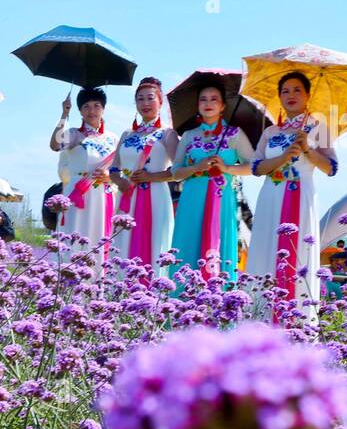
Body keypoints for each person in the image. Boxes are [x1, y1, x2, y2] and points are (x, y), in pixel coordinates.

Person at [246, 71, 338, 319]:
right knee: (266, 251)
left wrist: (308, 149)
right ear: (279, 97)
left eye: (297, 90)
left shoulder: (319, 128)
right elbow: (257, 168)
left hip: (301, 195)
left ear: (308, 95)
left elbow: (331, 168)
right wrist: (284, 157)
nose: (291, 95)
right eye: (285, 91)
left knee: (297, 256)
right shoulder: (270, 131)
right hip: (271, 198)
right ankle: (260, 317)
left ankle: (297, 323)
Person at [168, 76, 255, 284]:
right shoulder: (189, 136)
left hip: (222, 198)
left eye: (214, 99)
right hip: (192, 198)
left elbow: (253, 166)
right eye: (203, 99)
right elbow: (175, 171)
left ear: (223, 105)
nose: (208, 104)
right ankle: (180, 300)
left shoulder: (234, 134)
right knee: (188, 242)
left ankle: (219, 301)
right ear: (197, 105)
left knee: (220, 242)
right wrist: (195, 168)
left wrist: (226, 168)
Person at [109, 77, 178, 277]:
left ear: (160, 101)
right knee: (124, 241)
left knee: (154, 241)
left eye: (150, 98)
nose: (145, 103)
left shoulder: (167, 134)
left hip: (156, 196)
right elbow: (114, 169)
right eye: (140, 99)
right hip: (126, 196)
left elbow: (178, 171)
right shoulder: (127, 134)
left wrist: (151, 176)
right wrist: (120, 182)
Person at [51, 86, 118, 268]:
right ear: (80, 110)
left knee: (98, 237)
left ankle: (96, 284)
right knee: (74, 234)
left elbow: (121, 169)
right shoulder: (74, 134)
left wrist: (109, 177)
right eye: (86, 106)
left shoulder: (112, 138)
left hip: (102, 194)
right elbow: (55, 145)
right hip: (77, 192)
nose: (92, 111)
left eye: (97, 106)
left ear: (103, 109)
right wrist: (64, 114)